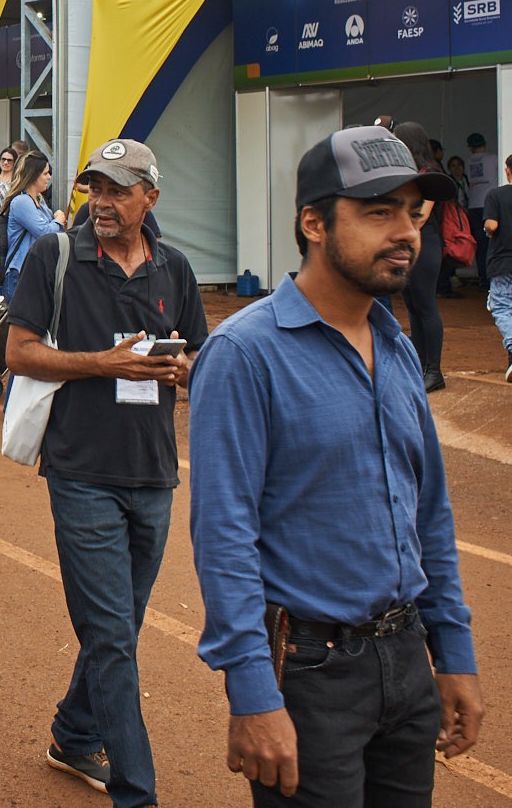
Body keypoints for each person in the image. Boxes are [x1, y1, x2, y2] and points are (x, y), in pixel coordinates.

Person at [190, 125, 482, 806]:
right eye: (378, 211)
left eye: (412, 212)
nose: (405, 231)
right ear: (314, 223)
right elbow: (225, 536)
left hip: (407, 658)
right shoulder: (245, 355)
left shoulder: (396, 344)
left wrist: (454, 651)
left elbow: (428, 510)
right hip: (311, 676)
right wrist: (253, 694)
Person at [4, 138, 207, 808]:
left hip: (153, 472)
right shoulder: (54, 255)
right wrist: (103, 363)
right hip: (81, 469)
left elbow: (196, 352)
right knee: (114, 637)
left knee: (119, 626)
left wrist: (182, 367)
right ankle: (136, 792)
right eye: (96, 188)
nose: (105, 203)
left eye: (119, 190)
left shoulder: (173, 268)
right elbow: (20, 352)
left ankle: (73, 729)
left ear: (151, 196)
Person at [394, 122, 448, 391]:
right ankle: (419, 365)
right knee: (412, 305)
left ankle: (435, 372)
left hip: (425, 243)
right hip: (408, 242)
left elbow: (423, 215)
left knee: (425, 305)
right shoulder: (408, 173)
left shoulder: (431, 173)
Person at [2, 150, 67, 288]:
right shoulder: (22, 201)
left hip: (35, 271)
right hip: (21, 272)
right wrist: (59, 220)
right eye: (45, 173)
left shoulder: (39, 200)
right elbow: (45, 233)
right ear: (33, 175)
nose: (49, 177)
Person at [485, 153, 512, 381]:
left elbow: (492, 225)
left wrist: (487, 229)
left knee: (502, 308)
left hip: (503, 261)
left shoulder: (496, 195)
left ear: (507, 171)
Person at [467, 132, 495, 286]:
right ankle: (490, 279)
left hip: (473, 206)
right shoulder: (494, 158)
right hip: (489, 205)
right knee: (492, 244)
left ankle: (483, 278)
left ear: (470, 147)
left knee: (480, 244)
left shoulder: (469, 161)